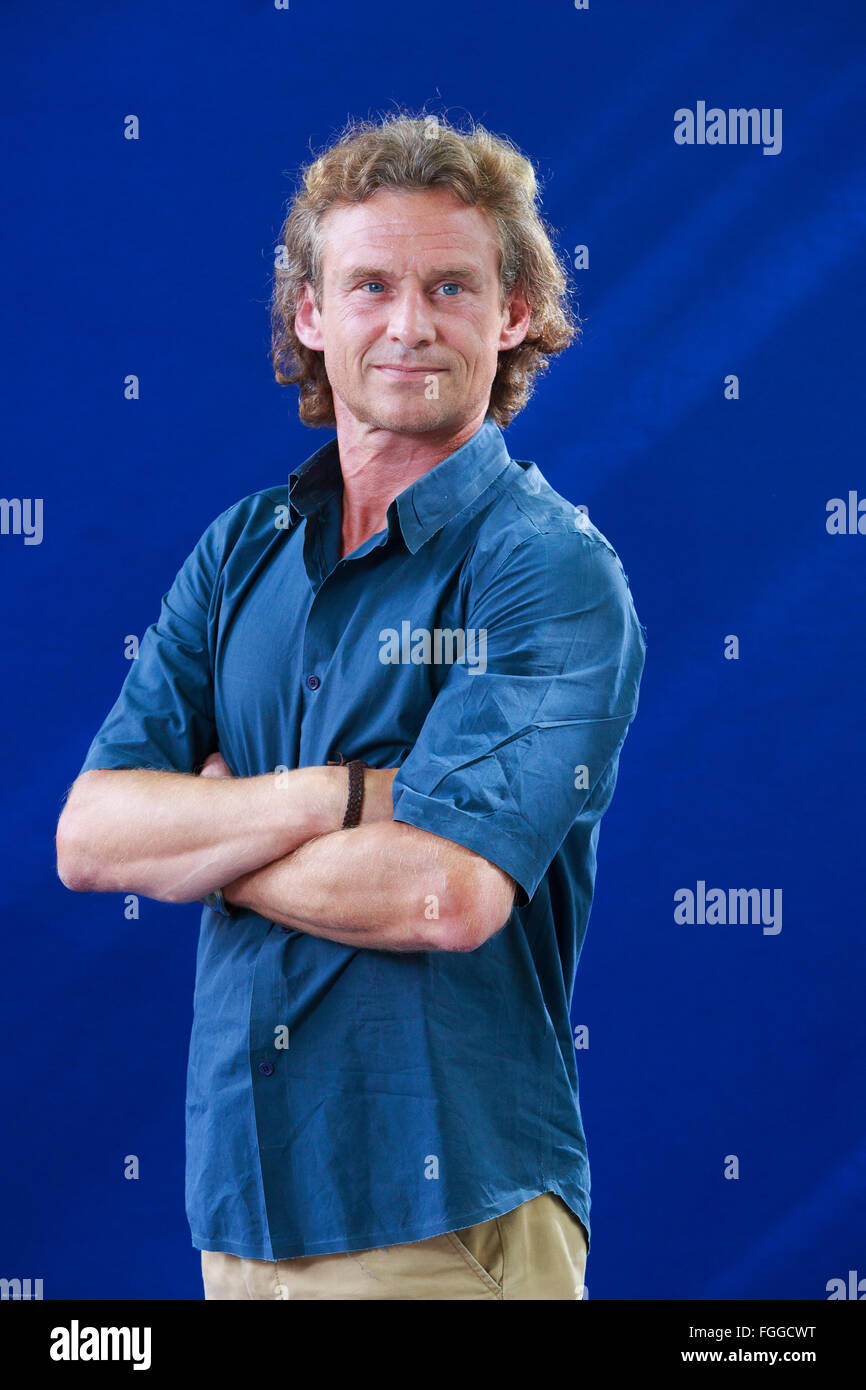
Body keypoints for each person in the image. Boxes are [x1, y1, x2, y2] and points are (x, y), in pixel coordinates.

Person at [56, 111, 647, 1300]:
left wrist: (212, 840)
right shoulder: (241, 551)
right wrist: (334, 797)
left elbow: (442, 893)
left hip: (443, 1222)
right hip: (241, 1214)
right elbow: (90, 835)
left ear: (513, 314)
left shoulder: (547, 569)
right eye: (368, 284)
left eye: (450, 286)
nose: (408, 323)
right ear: (311, 316)